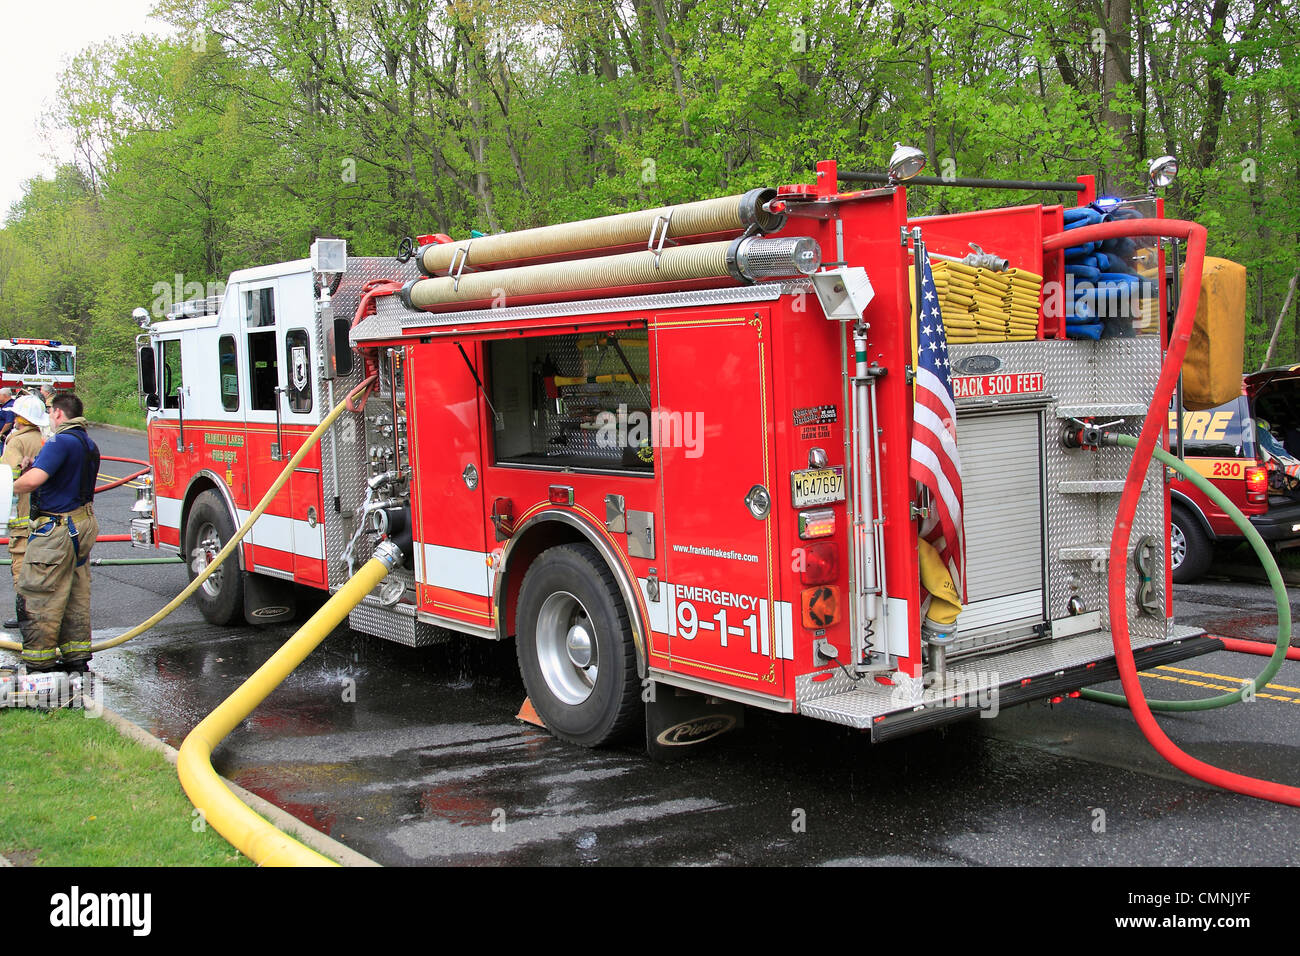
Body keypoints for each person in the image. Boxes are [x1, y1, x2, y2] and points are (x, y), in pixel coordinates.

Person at [12, 393, 99, 673]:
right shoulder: (88, 444)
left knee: (39, 594)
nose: (49, 416)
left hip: (57, 530)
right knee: (74, 593)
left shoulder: (59, 441)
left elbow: (35, 481)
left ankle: (40, 667)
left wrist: (11, 483)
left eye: (50, 411)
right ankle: (76, 659)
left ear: (59, 413)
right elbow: (63, 478)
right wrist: (32, 466)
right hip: (82, 524)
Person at [1, 395, 47, 628]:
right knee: (43, 562)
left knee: (21, 563)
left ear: (20, 418)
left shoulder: (16, 442)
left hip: (21, 515)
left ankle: (25, 615)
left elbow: (8, 479)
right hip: (46, 515)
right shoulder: (46, 438)